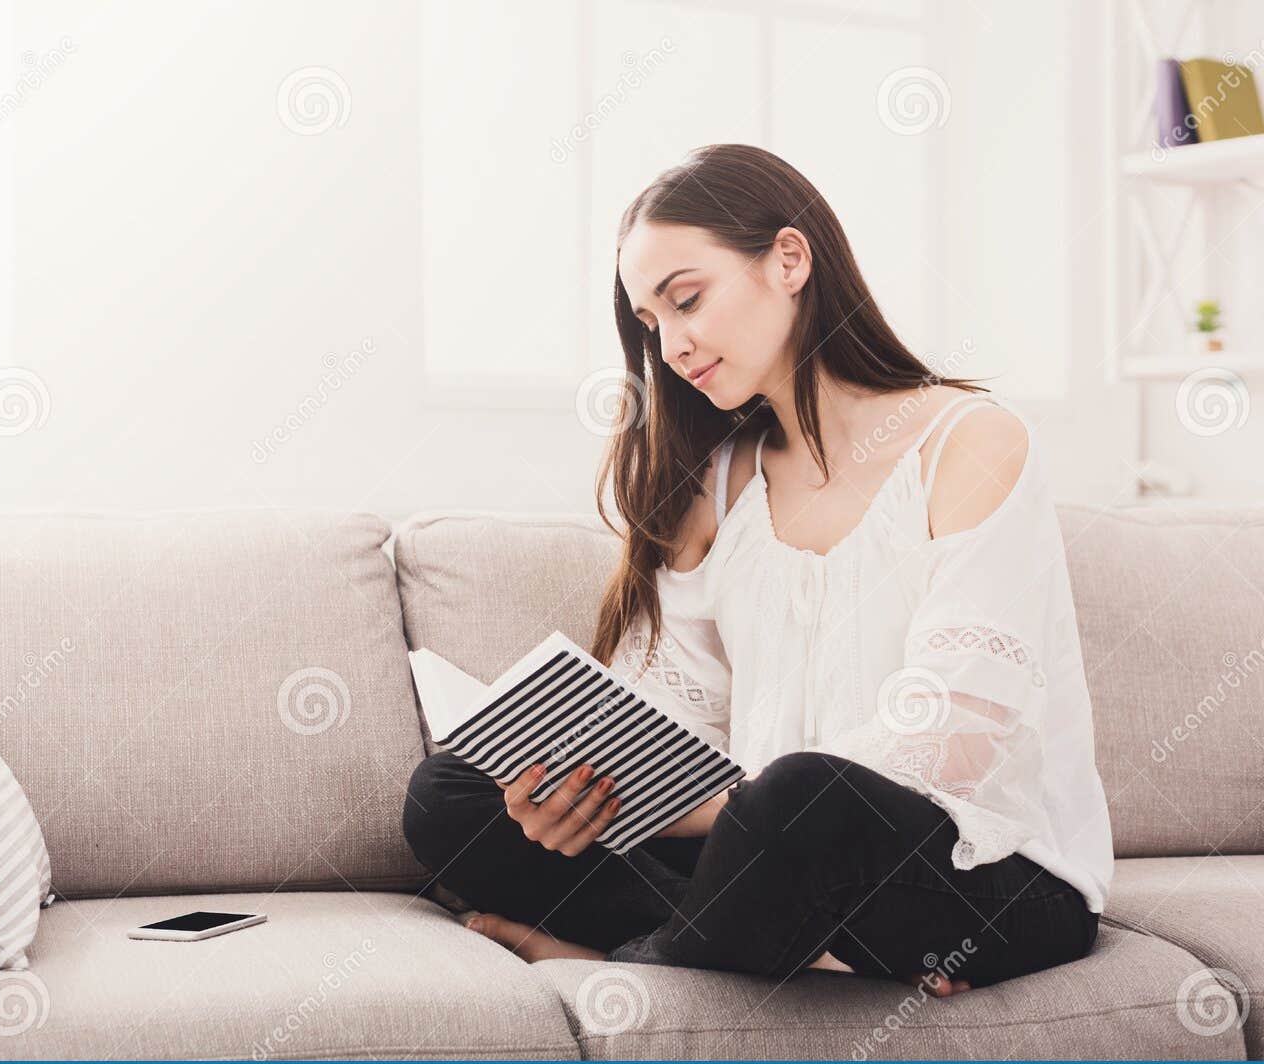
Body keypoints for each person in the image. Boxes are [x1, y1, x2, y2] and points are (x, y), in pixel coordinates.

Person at [403, 143, 1112, 997]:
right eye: (650, 323)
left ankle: (631, 966)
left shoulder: (970, 442)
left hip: (981, 868)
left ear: (789, 259)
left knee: (800, 800)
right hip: (768, 849)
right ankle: (775, 952)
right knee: (451, 792)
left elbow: (953, 742)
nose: (671, 346)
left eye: (686, 300)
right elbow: (675, 716)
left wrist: (729, 806)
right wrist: (579, 787)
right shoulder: (719, 482)